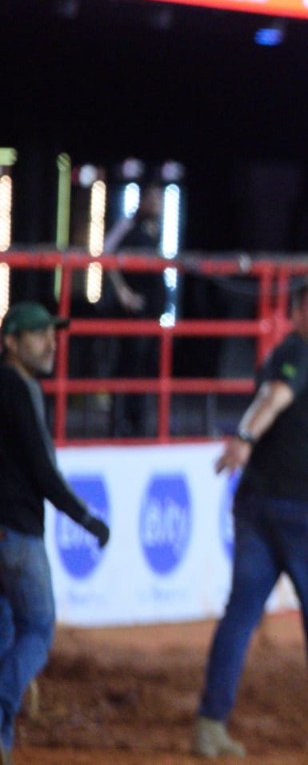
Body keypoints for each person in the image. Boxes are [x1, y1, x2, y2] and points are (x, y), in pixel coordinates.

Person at [193, 277, 308, 760]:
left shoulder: (296, 355)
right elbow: (273, 397)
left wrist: (246, 440)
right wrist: (245, 437)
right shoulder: (296, 357)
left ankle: (210, 725)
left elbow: (272, 397)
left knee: (242, 614)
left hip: (259, 507)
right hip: (302, 512)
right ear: (298, 315)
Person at [1, 302, 111, 765]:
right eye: (39, 335)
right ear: (11, 343)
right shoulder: (19, 388)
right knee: (38, 627)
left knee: (6, 626)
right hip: (17, 531)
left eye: (52, 334)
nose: (51, 343)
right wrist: (86, 518)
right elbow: (43, 471)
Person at [104, 183, 166, 437]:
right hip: (133, 310)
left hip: (153, 310)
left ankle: (139, 421)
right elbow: (106, 254)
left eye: (159, 200)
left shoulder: (157, 229)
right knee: (128, 363)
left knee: (147, 365)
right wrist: (122, 292)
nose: (157, 205)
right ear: (142, 201)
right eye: (153, 200)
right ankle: (119, 422)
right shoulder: (128, 225)